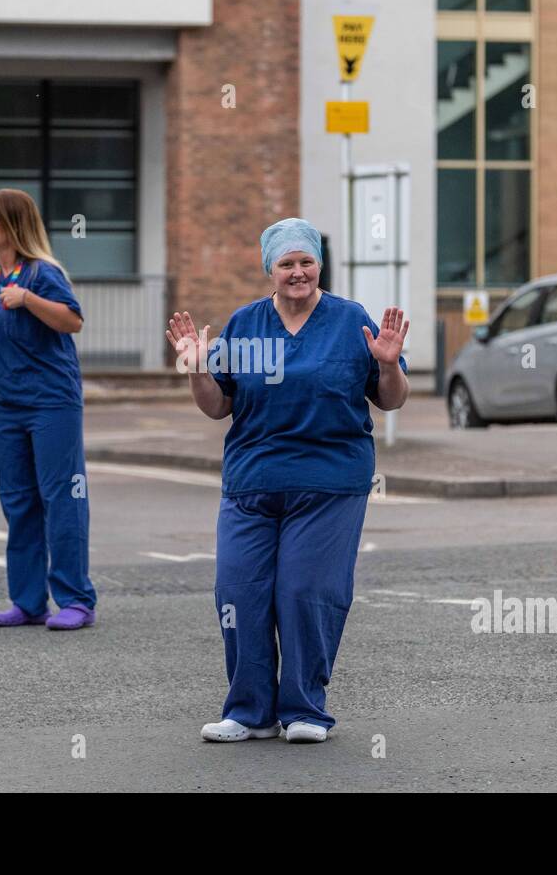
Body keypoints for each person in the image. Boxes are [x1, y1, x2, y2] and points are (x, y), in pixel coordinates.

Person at [167, 217, 409, 744]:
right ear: (269, 269)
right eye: (287, 264)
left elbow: (389, 398)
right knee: (238, 590)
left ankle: (304, 709)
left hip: (328, 482)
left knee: (305, 591)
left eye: (307, 261)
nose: (298, 272)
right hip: (252, 481)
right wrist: (196, 371)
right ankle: (249, 710)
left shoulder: (350, 321)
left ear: (319, 265)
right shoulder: (244, 324)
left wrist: (388, 365)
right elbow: (218, 407)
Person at [0, 188, 96, 630]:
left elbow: (72, 321)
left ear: (14, 224)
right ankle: (29, 602)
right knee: (17, 501)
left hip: (52, 401)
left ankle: (76, 600)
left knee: (62, 498)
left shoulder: (42, 273)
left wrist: (28, 300)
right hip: (7, 404)